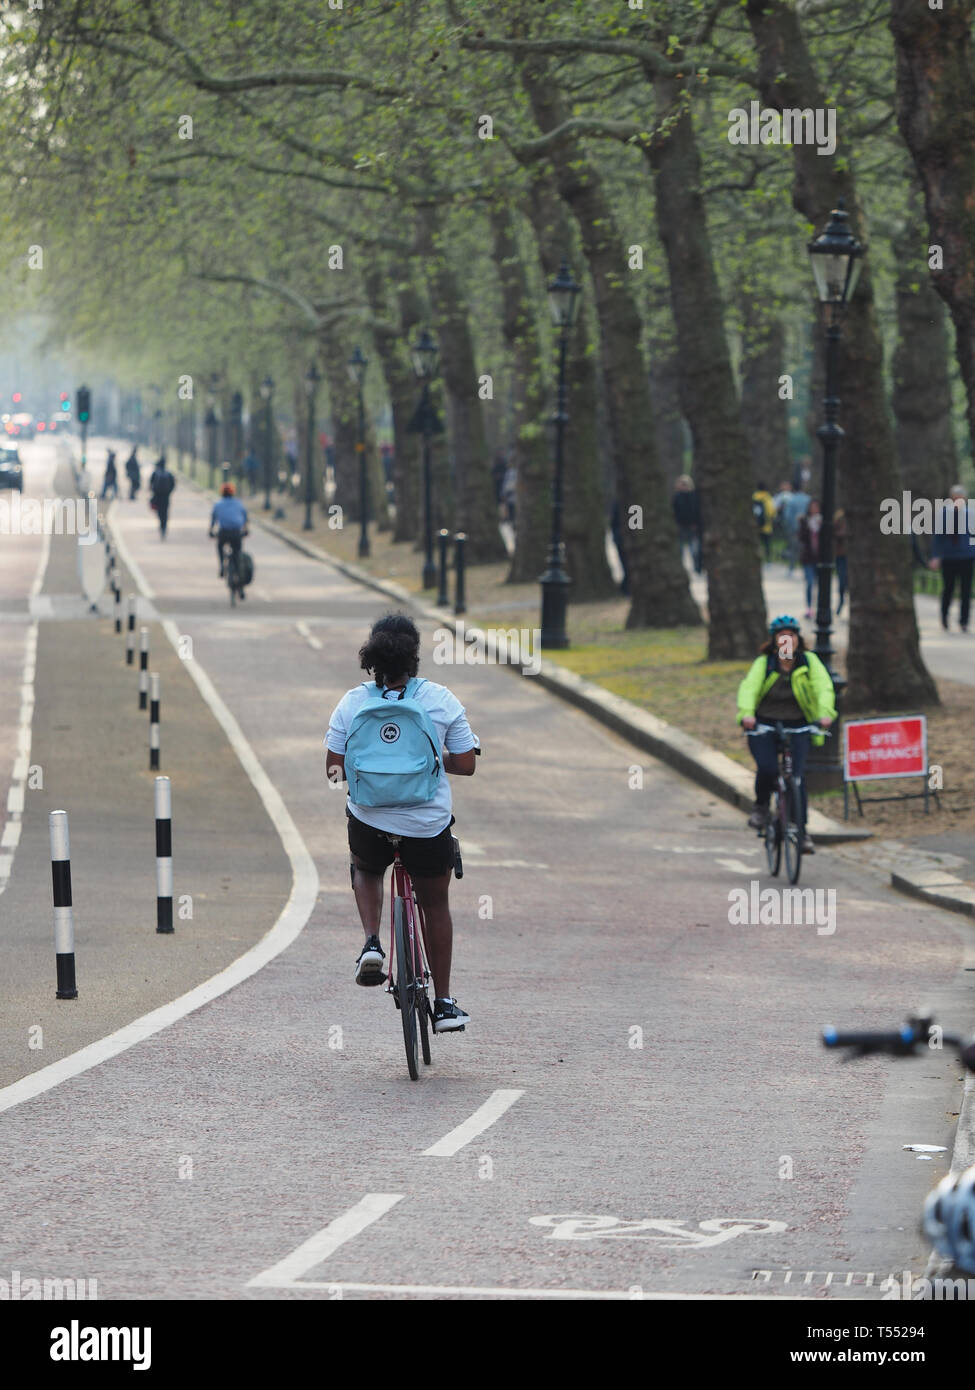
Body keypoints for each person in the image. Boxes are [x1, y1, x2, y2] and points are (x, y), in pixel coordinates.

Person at [324, 614, 478, 1033]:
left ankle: (372, 941)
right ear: (415, 658)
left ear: (372, 658)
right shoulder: (441, 700)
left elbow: (333, 770)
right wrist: (429, 762)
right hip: (427, 825)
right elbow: (465, 765)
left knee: (366, 865)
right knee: (435, 905)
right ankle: (444, 1004)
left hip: (370, 820)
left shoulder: (352, 703)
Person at [736, 615, 836, 855]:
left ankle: (801, 833)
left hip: (799, 725)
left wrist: (825, 714)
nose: (786, 640)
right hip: (765, 726)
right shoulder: (765, 662)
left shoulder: (808, 661)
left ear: (798, 639)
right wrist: (747, 714)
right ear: (774, 641)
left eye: (791, 635)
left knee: (796, 779)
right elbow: (749, 688)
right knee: (769, 769)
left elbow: (824, 687)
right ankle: (761, 807)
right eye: (782, 636)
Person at [930, 484, 975, 632]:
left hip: (967, 557)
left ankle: (964, 621)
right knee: (948, 589)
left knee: (966, 590)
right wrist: (936, 556)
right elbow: (937, 538)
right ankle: (944, 617)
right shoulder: (943, 514)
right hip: (949, 558)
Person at [208, 482, 249, 588]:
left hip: (224, 532)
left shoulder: (218, 504)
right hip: (236, 533)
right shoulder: (238, 503)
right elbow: (245, 517)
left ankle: (222, 565)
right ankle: (239, 571)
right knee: (237, 552)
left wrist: (211, 531)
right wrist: (245, 529)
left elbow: (214, 519)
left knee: (220, 546)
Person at [776, 482, 810, 574]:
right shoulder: (808, 499)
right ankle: (805, 568)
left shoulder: (792, 500)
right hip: (806, 528)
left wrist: (789, 527)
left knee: (793, 548)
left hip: (794, 528)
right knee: (805, 548)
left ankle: (792, 568)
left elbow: (787, 516)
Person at [797, 498, 823, 618]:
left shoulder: (823, 521)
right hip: (808, 557)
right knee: (809, 582)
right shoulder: (804, 520)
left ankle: (818, 607)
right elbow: (801, 537)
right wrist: (807, 526)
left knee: (819, 584)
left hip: (820, 558)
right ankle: (809, 607)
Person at [672, 474, 702, 573]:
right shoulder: (676, 497)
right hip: (681, 526)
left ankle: (697, 569)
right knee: (680, 549)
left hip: (693, 527)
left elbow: (696, 510)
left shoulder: (694, 496)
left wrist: (695, 523)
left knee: (695, 550)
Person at [148, 454, 175, 539]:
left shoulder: (155, 473)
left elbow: (151, 484)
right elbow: (173, 485)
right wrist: (169, 492)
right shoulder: (169, 474)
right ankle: (164, 527)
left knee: (159, 513)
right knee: (165, 513)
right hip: (166, 497)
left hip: (157, 496)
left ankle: (161, 525)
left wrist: (153, 491)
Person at [752, 480, 776, 562]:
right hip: (766, 526)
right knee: (767, 544)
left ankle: (756, 559)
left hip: (755, 526)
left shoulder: (754, 496)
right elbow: (772, 511)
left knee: (756, 543)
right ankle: (768, 560)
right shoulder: (767, 497)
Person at [834, 509, 848, 615]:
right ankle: (841, 601)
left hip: (849, 557)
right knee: (842, 581)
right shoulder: (838, 521)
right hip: (841, 556)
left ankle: (843, 601)